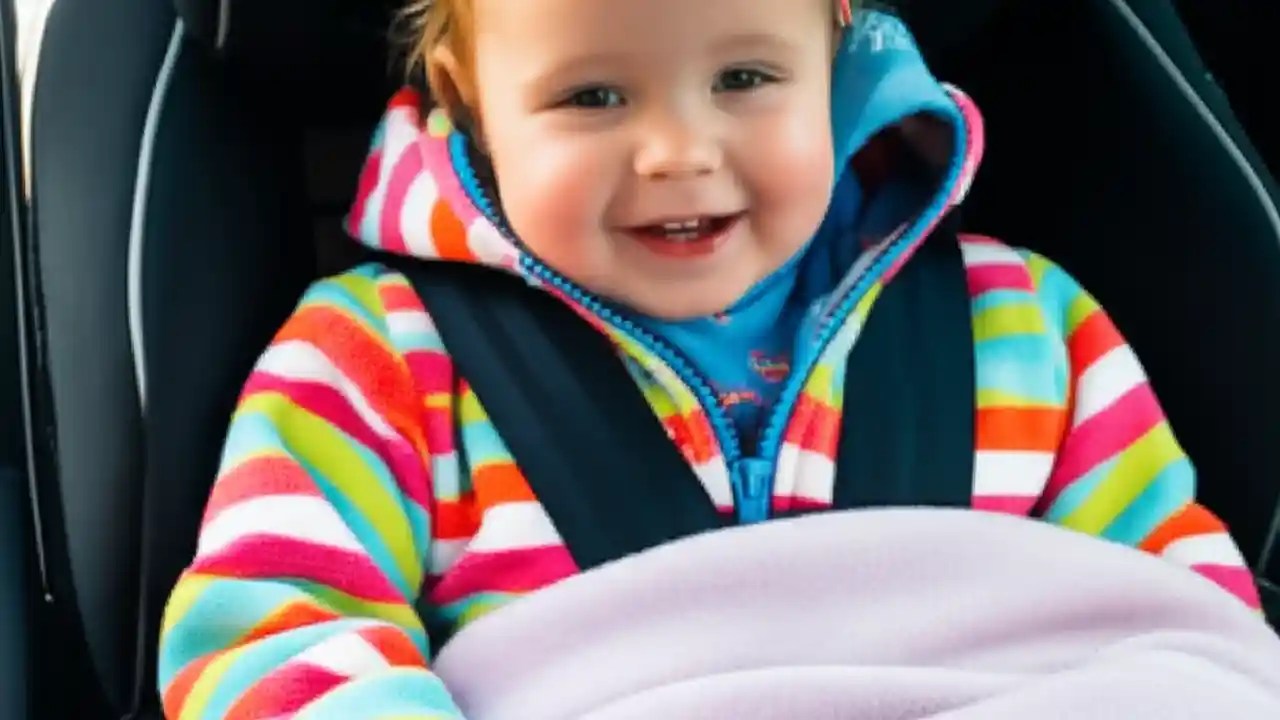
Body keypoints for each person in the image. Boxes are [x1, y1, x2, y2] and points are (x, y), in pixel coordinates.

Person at [156, 1, 1262, 717]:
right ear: (470, 100)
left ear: (837, 56)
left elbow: (1181, 625)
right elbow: (274, 630)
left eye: (744, 78)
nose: (679, 151)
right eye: (593, 96)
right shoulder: (379, 362)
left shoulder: (1026, 330)